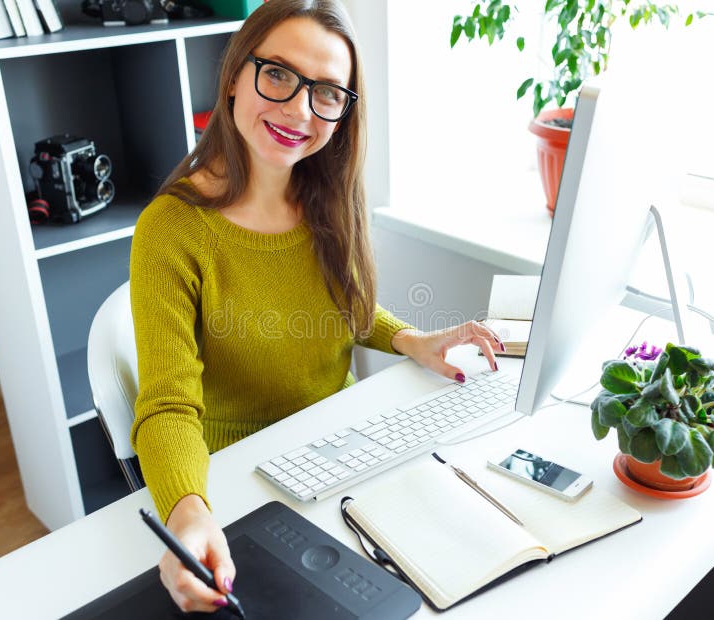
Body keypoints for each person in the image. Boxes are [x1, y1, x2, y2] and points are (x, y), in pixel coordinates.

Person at [129, 0, 502, 613]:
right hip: (238, 482)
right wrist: (189, 512)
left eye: (326, 91)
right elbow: (167, 406)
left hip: (337, 454)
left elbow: (341, 308)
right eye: (278, 74)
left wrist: (411, 339)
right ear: (234, 75)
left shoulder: (326, 194)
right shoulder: (172, 230)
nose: (300, 110)